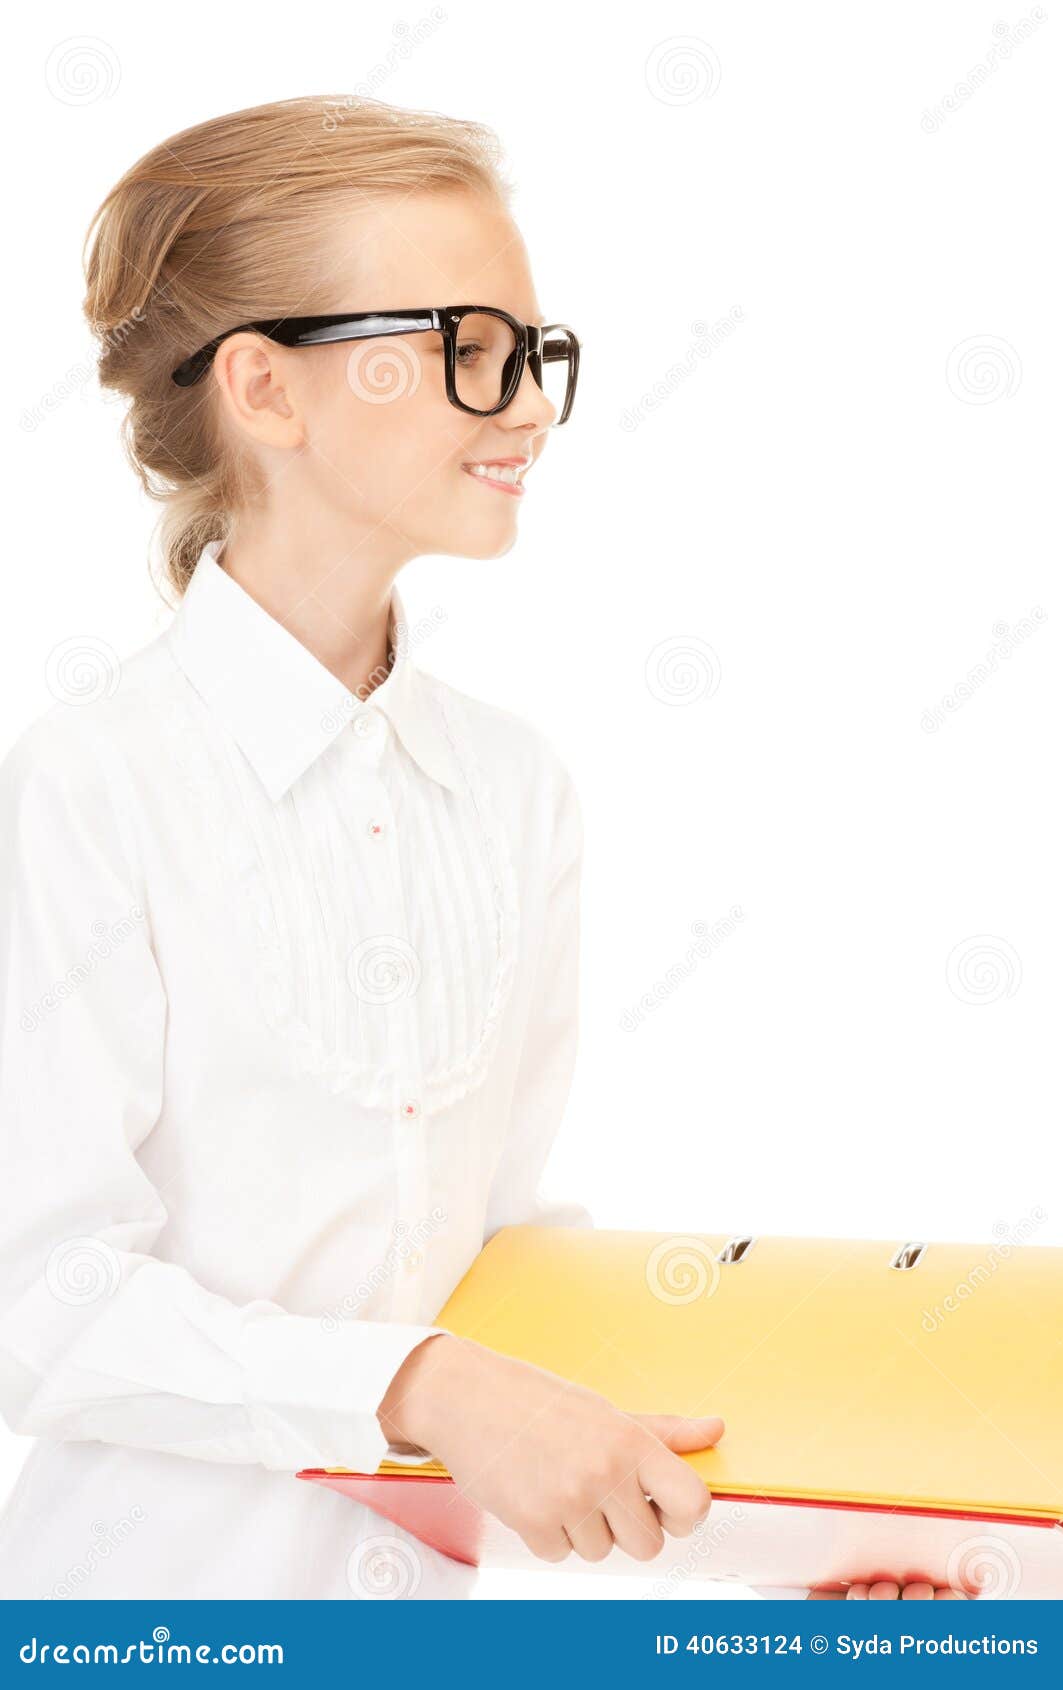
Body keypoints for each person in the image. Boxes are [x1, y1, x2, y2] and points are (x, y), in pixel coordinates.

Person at [0, 96, 960, 1602]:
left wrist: (777, 1538)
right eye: (469, 347)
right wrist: (425, 1385)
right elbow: (38, 1305)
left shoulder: (513, 791)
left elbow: (506, 1266)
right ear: (264, 387)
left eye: (532, 351)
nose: (525, 404)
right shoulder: (86, 788)